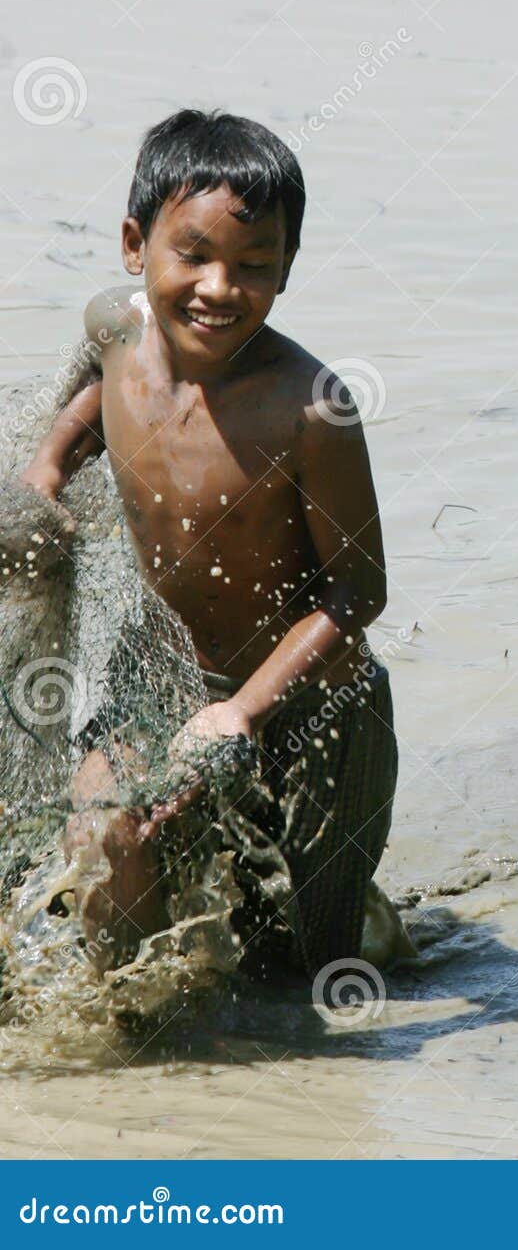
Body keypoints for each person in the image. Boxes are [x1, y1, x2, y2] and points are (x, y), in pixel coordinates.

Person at [19, 109, 405, 975]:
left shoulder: (312, 408)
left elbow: (360, 593)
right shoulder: (116, 328)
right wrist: (47, 466)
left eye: (254, 265)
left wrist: (241, 712)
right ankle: (141, 1040)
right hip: (159, 680)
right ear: (134, 244)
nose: (220, 288)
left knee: (304, 974)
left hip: (315, 718)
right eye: (192, 255)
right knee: (104, 831)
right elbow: (95, 392)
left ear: (286, 271)